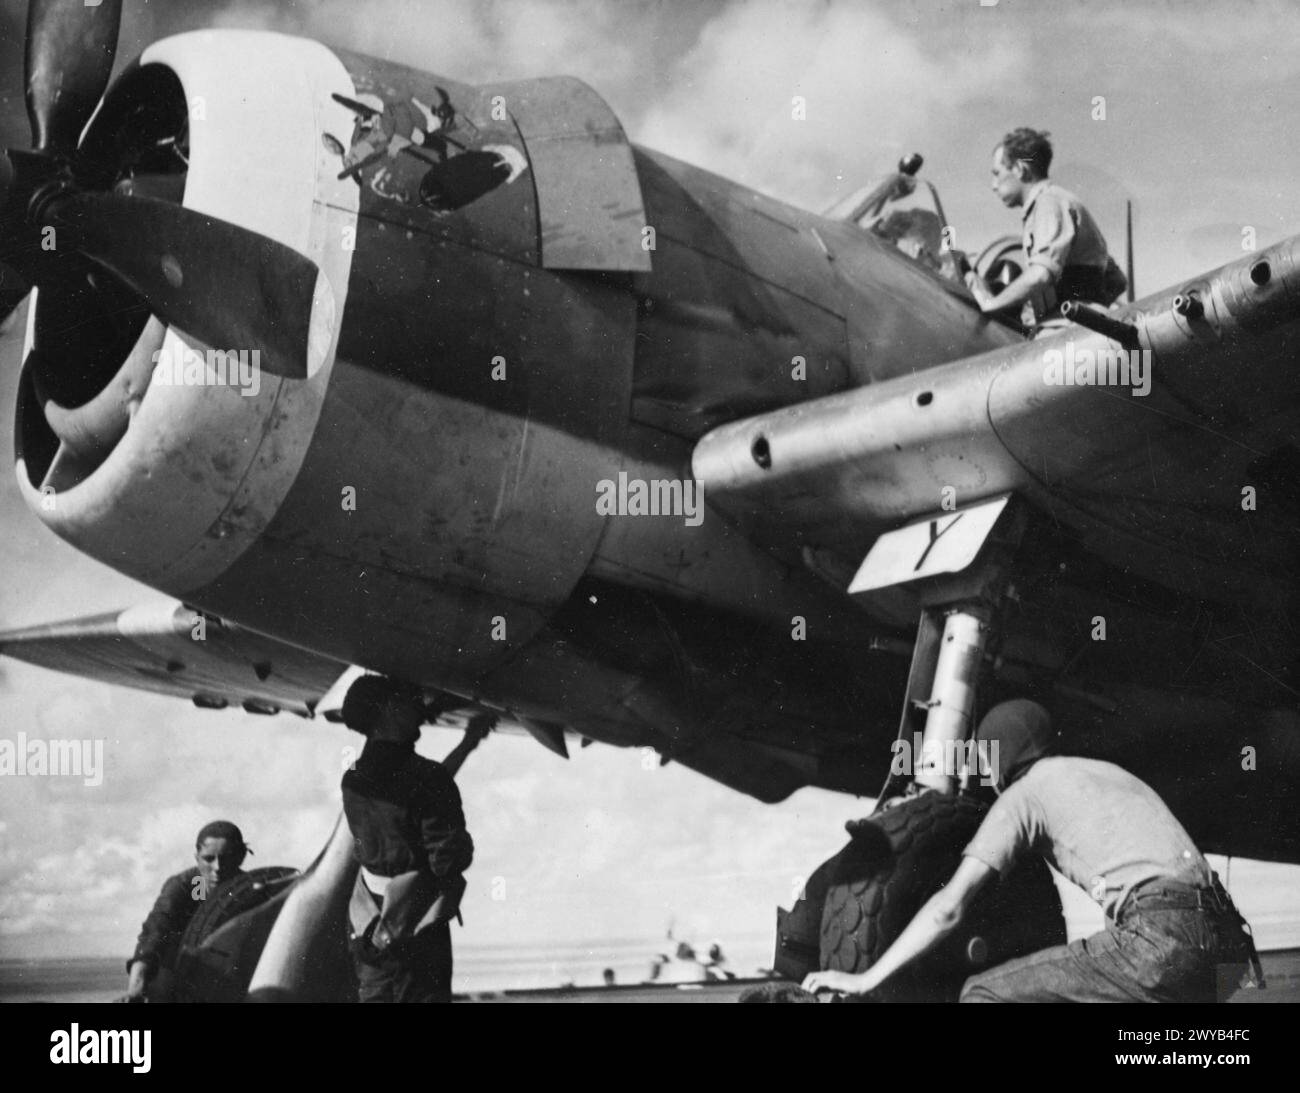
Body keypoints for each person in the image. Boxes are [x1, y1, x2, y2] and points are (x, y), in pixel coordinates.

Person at [803, 700, 1262, 1002]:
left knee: (982, 995)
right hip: (1227, 946)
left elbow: (948, 908)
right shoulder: (1106, 772)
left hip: (1161, 941)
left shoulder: (1024, 795)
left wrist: (865, 978)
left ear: (996, 756)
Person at [340, 675, 490, 1003]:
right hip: (418, 923)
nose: (420, 711)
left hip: (368, 923)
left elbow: (409, 792)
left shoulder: (353, 779)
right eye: (411, 703)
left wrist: (467, 744)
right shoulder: (427, 778)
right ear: (389, 710)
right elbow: (449, 858)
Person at [964, 128, 1126, 328]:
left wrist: (992, 303)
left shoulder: (1048, 203)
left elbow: (1041, 273)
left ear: (1020, 169)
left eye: (997, 173)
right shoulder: (1056, 202)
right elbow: (1117, 280)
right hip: (1080, 327)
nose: (993, 185)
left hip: (1066, 331)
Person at [119, 820, 250, 1002]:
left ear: (241, 856)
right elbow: (154, 935)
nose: (217, 868)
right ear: (197, 857)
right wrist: (135, 989)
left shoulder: (254, 890)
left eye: (226, 858)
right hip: (180, 980)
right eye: (208, 859)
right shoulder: (185, 886)